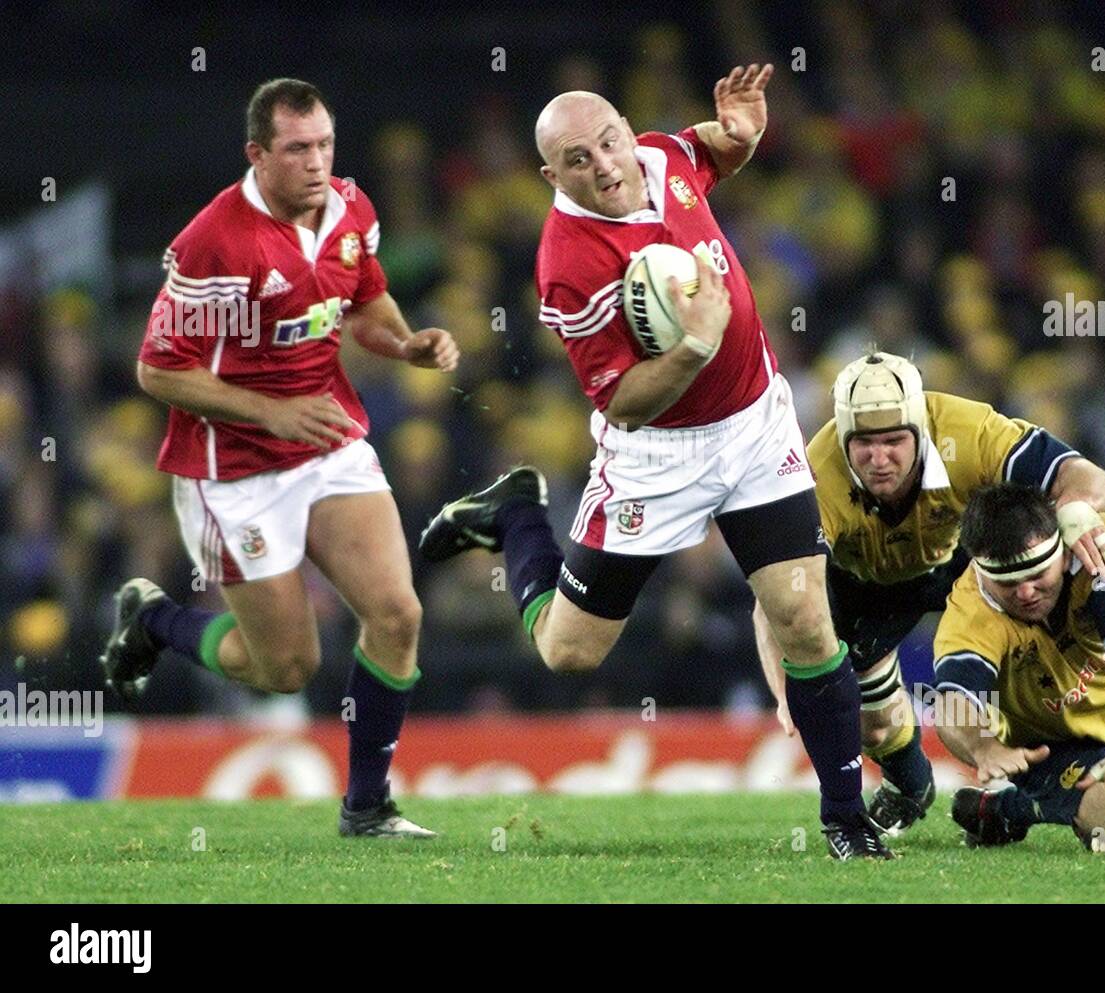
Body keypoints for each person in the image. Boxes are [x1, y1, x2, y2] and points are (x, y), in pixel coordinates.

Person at [421, 65, 890, 858]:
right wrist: (699, 341)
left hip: (752, 425)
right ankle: (514, 514)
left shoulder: (657, 159)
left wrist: (741, 133)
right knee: (570, 650)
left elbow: (709, 151)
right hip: (656, 455)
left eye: (608, 140)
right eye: (578, 159)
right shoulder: (567, 263)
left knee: (806, 619)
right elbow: (621, 402)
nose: (605, 164)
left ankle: (848, 819)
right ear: (551, 176)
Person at [100, 78, 460, 838]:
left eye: (325, 143)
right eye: (298, 148)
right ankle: (156, 620)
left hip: (325, 445)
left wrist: (406, 341)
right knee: (283, 669)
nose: (318, 161)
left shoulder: (351, 209)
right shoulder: (215, 242)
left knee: (397, 613)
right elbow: (158, 369)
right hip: (232, 471)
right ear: (258, 155)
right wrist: (272, 411)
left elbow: (365, 299)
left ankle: (367, 806)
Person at [755, 351, 1105, 838]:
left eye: (894, 440)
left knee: (1042, 604)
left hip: (971, 556)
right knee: (875, 728)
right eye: (863, 443)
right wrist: (784, 692)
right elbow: (776, 599)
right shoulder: (814, 476)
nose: (880, 459)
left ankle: (1061, 777)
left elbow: (1087, 478)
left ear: (921, 428)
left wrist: (1073, 517)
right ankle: (911, 784)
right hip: (867, 586)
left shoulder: (969, 433)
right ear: (842, 438)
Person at [933, 482, 1105, 854]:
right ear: (981, 568)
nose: (1025, 592)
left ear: (1061, 549)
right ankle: (1024, 803)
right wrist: (983, 747)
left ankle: (1006, 811)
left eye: (1037, 574)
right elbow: (952, 705)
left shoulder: (1097, 544)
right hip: (1052, 746)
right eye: (1007, 582)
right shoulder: (969, 613)